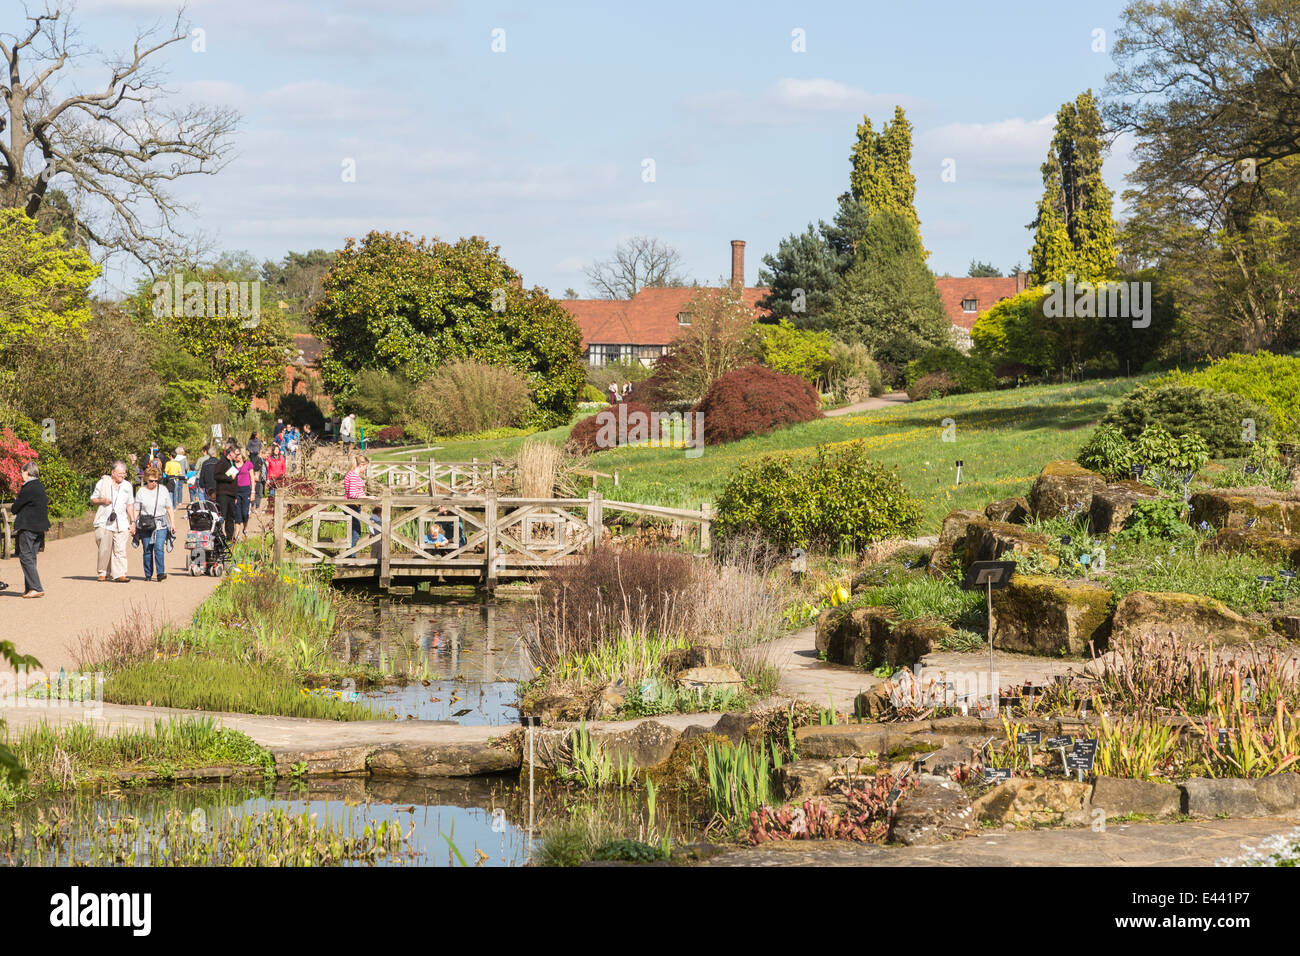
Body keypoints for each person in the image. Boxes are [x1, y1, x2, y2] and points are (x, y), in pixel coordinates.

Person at [91, 461, 135, 582]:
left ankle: (120, 574)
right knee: (104, 549)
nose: (122, 476)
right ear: (113, 472)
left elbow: (130, 505)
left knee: (120, 549)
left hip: (121, 522)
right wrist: (103, 500)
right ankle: (103, 572)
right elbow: (93, 500)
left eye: (124, 474)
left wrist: (133, 521)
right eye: (120, 473)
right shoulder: (103, 483)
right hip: (104, 521)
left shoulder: (127, 486)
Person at [11, 461, 49, 598]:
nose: (21, 475)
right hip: (39, 527)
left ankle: (36, 587)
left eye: (22, 472)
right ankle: (30, 588)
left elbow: (15, 508)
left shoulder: (28, 487)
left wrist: (16, 502)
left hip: (28, 526)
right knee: (31, 557)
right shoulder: (39, 486)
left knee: (25, 556)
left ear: (27, 472)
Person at [133, 465, 176, 582]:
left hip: (161, 523)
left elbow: (169, 508)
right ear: (146, 479)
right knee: (147, 549)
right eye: (151, 481)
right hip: (145, 523)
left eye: (156, 481)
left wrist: (172, 523)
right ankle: (148, 574)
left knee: (159, 547)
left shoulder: (163, 490)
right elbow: (136, 509)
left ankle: (160, 573)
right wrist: (133, 523)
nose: (154, 483)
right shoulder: (141, 492)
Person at [344, 455, 371, 548]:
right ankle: (349, 558)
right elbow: (352, 494)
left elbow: (356, 491)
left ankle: (351, 558)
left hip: (353, 505)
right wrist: (368, 497)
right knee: (356, 533)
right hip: (352, 506)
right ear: (361, 465)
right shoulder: (354, 476)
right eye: (365, 467)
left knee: (354, 532)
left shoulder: (351, 474)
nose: (365, 469)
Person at [214, 444, 240, 543]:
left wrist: (235, 495)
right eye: (235, 454)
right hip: (223, 494)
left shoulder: (232, 463)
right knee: (222, 516)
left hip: (231, 494)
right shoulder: (221, 462)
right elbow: (216, 476)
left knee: (231, 516)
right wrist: (229, 477)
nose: (237, 456)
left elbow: (235, 481)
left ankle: (230, 537)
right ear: (231, 453)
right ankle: (218, 537)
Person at [235, 447, 254, 538]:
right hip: (236, 491)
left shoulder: (248, 464)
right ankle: (237, 533)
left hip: (246, 490)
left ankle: (245, 528)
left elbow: (252, 478)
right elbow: (228, 477)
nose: (236, 456)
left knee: (245, 513)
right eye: (235, 454)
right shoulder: (233, 465)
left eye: (238, 454)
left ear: (242, 454)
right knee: (237, 513)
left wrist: (253, 492)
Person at [265, 443, 287, 510]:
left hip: (280, 478)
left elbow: (284, 467)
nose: (276, 450)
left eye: (278, 449)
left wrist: (283, 474)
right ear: (273, 450)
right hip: (272, 478)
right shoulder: (269, 459)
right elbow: (268, 470)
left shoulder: (282, 458)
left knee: (279, 492)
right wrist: (268, 479)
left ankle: (279, 507)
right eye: (275, 449)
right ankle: (271, 507)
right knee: (272, 493)